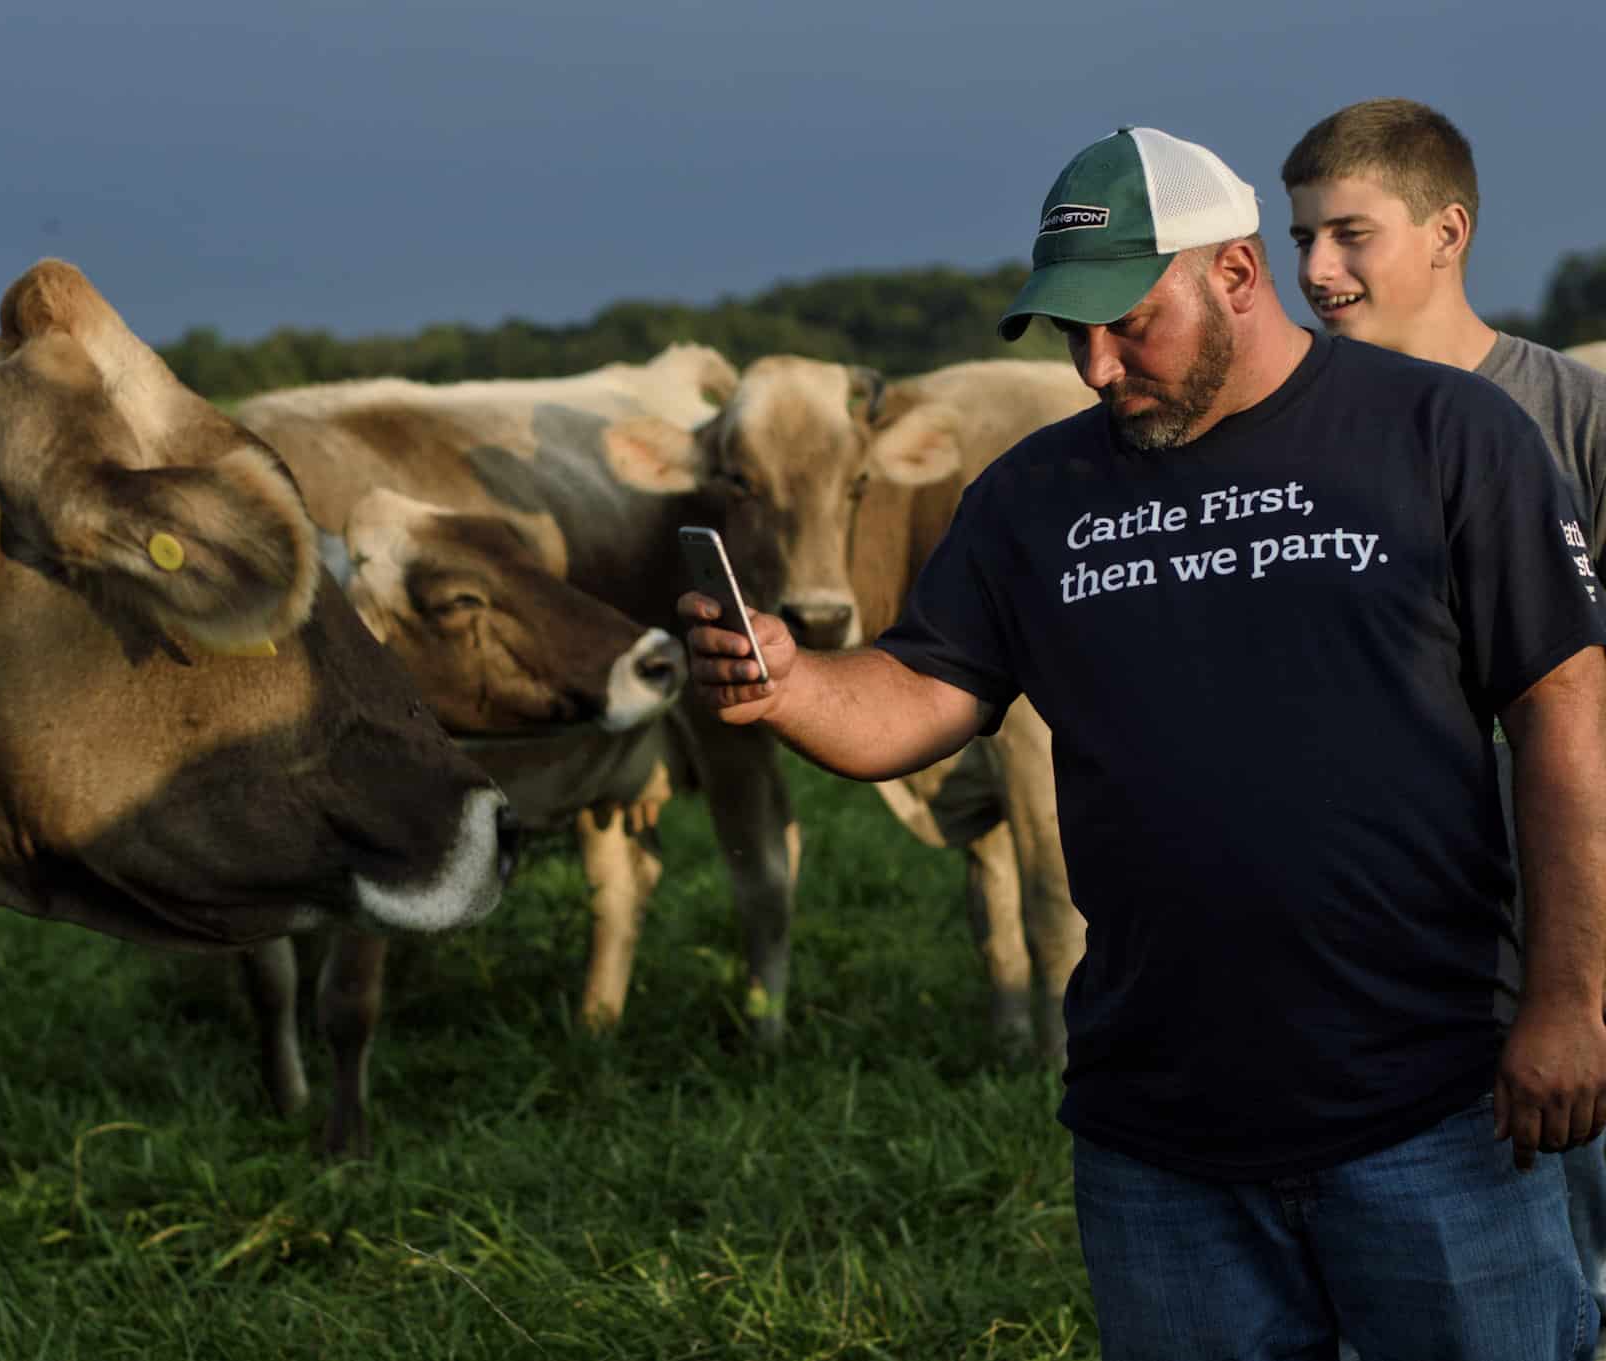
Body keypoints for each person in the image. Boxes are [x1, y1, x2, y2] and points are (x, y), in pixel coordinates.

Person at [681, 125, 1606, 1359]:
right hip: (1156, 1139)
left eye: (1126, 321)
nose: (1096, 366)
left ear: (1233, 272)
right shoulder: (1031, 495)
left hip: (1430, 1108)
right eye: (1070, 332)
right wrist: (789, 686)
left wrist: (1566, 998)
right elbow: (917, 692)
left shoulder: (1444, 434)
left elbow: (1561, 711)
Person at [1282, 95, 1606, 1355]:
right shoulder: (1284, 440)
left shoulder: (1572, 416)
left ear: (1445, 231)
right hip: (1369, 969)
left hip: (1566, 940)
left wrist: (1574, 976)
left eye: (1347, 234)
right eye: (1301, 235)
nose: (1314, 268)